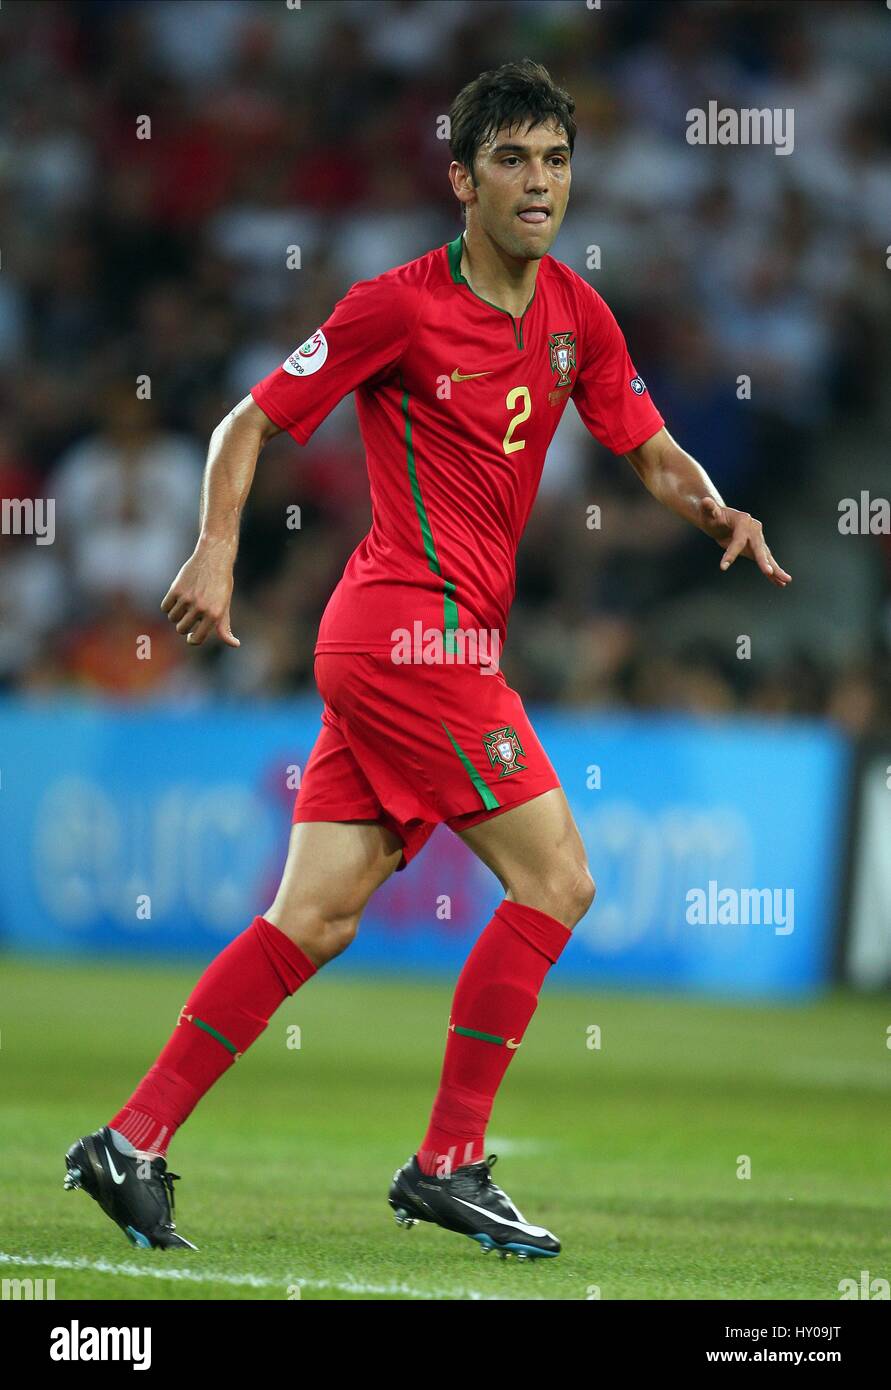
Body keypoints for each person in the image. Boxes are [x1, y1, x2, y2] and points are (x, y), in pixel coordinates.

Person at [64, 59, 790, 1261]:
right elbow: (248, 421)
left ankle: (129, 1143)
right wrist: (213, 551)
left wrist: (718, 511)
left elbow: (650, 447)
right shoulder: (393, 306)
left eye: (556, 160)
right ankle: (448, 1160)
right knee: (557, 882)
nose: (539, 182)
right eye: (512, 159)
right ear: (462, 179)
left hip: (406, 645)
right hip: (414, 632)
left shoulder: (577, 313)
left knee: (316, 913)